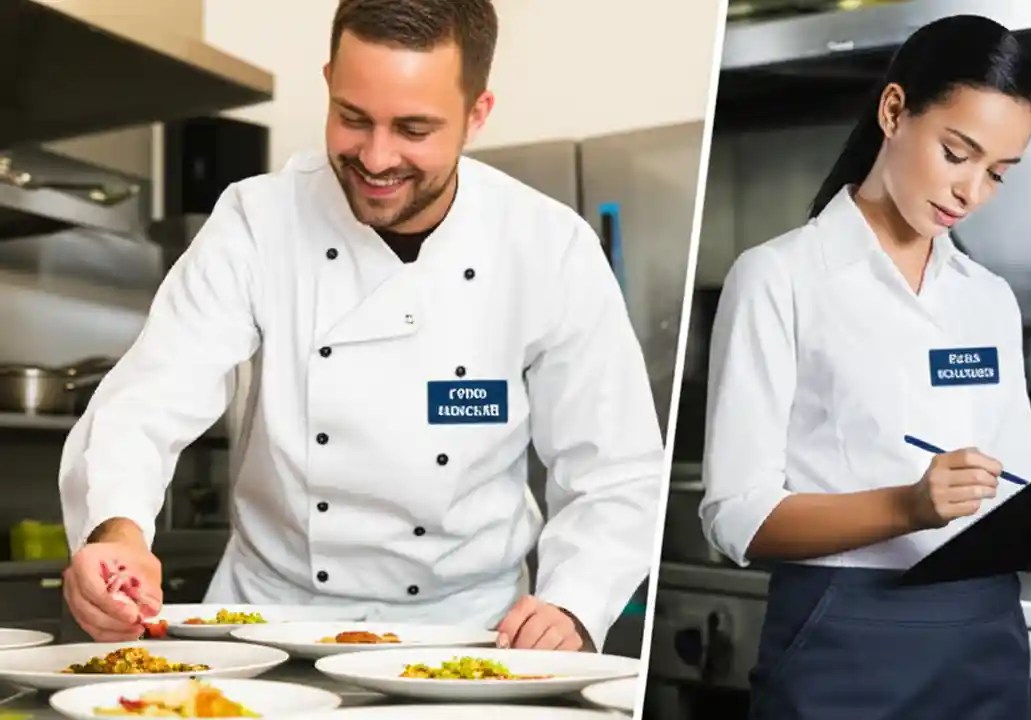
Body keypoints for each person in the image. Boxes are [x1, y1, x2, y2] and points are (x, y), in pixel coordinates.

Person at [58, 0, 663, 654]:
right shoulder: (257, 223)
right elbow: (148, 401)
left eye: (413, 128)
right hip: (267, 628)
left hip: (468, 636)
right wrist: (117, 536)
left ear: (476, 115)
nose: (375, 158)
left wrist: (574, 603)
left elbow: (616, 468)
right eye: (352, 118)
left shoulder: (549, 248)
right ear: (328, 84)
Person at [699, 15, 1031, 718]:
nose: (971, 191)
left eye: (998, 172)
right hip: (839, 643)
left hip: (984, 645)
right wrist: (907, 506)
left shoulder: (989, 300)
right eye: (956, 152)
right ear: (893, 111)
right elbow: (735, 517)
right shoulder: (778, 278)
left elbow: (1014, 502)